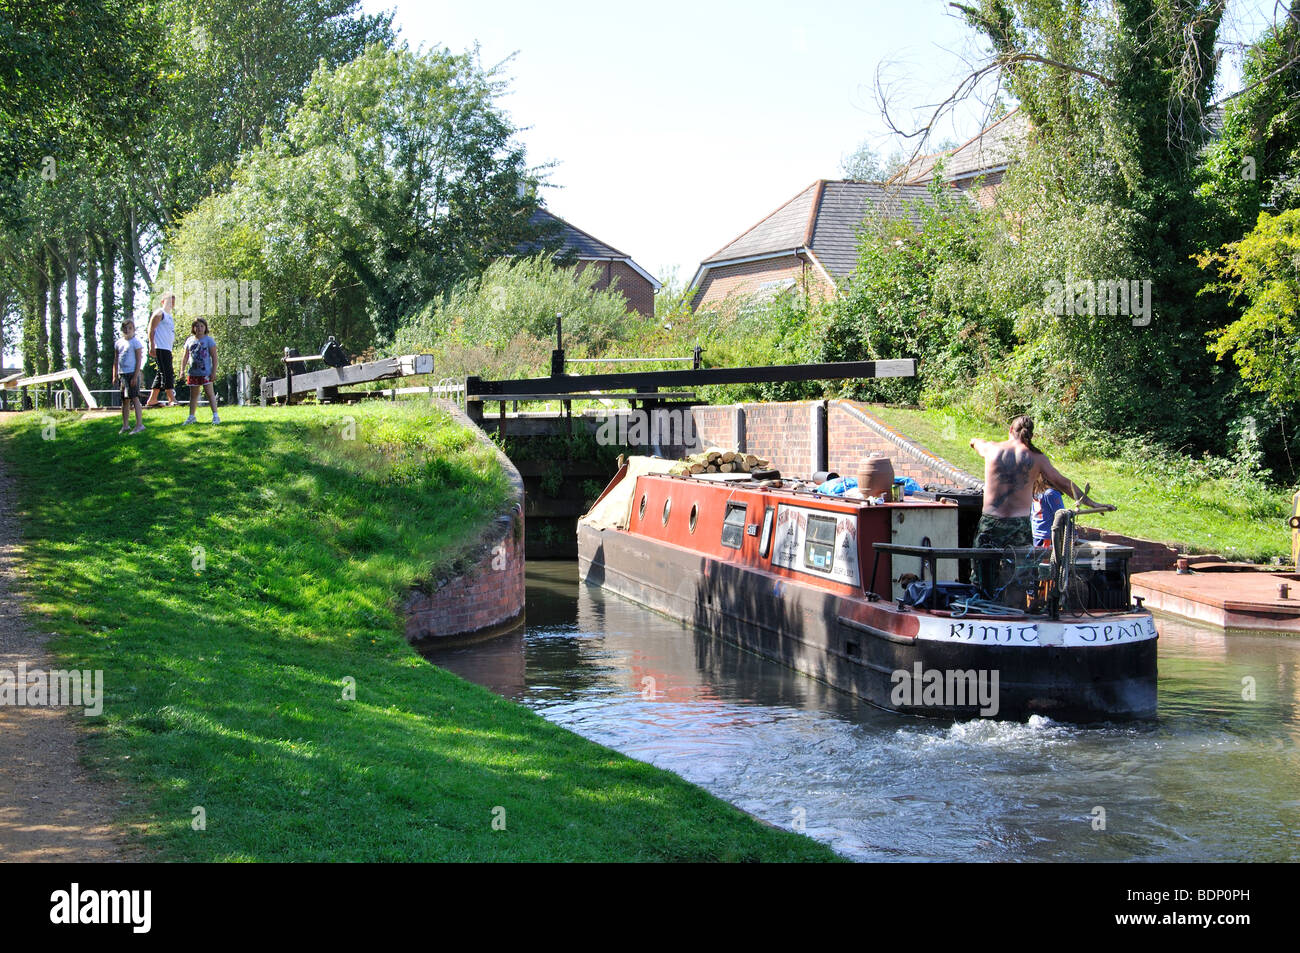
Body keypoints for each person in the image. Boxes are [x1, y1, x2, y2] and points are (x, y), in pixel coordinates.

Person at [969, 415, 1109, 595]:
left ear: (1011, 430)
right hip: (1018, 526)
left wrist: (973, 441)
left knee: (981, 573)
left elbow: (976, 442)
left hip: (990, 523)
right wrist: (1092, 503)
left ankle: (981, 607)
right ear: (1030, 435)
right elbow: (1064, 484)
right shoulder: (1037, 458)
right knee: (1019, 576)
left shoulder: (991, 449)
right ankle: (1019, 609)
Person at [181, 319, 220, 425]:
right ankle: (191, 417)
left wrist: (213, 372)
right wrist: (182, 371)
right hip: (193, 373)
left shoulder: (209, 340)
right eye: (197, 326)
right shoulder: (189, 341)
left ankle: (215, 416)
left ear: (205, 328)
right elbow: (185, 357)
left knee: (210, 394)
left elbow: (214, 357)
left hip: (206, 373)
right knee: (193, 396)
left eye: (202, 326)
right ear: (193, 328)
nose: (199, 328)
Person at [143, 293, 178, 408]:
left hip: (167, 348)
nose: (171, 303)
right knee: (167, 372)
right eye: (169, 300)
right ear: (163, 301)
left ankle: (152, 399)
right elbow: (151, 328)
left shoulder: (169, 316)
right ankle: (171, 399)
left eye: (173, 301)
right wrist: (151, 345)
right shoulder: (160, 313)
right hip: (160, 347)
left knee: (161, 373)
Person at [113, 320, 146, 434]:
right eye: (125, 328)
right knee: (125, 400)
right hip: (122, 374)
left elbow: (139, 360)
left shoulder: (136, 342)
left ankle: (139, 425)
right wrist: (115, 374)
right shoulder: (118, 343)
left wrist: (135, 376)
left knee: (135, 398)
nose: (127, 330)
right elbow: (116, 360)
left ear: (134, 329)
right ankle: (125, 425)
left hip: (132, 373)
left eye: (130, 328)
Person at [1031, 474, 1065, 547]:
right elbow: (1061, 514)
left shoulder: (1036, 492)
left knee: (1039, 556)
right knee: (1049, 556)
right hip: (1048, 534)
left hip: (1037, 532)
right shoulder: (1051, 493)